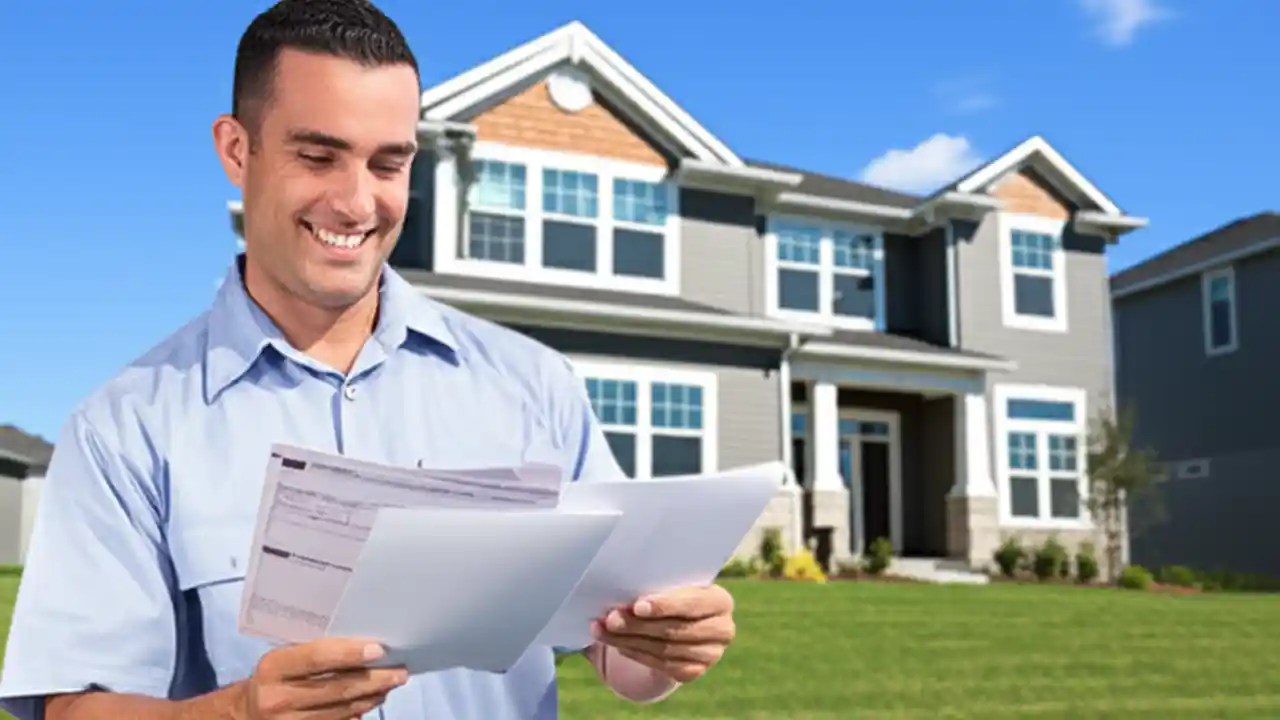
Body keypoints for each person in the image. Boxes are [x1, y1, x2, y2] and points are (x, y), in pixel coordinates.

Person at [0, 1, 738, 718]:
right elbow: (73, 706)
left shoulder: (533, 386)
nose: (357, 203)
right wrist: (240, 714)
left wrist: (663, 643)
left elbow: (617, 652)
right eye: (318, 156)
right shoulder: (126, 427)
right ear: (236, 149)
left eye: (389, 164)